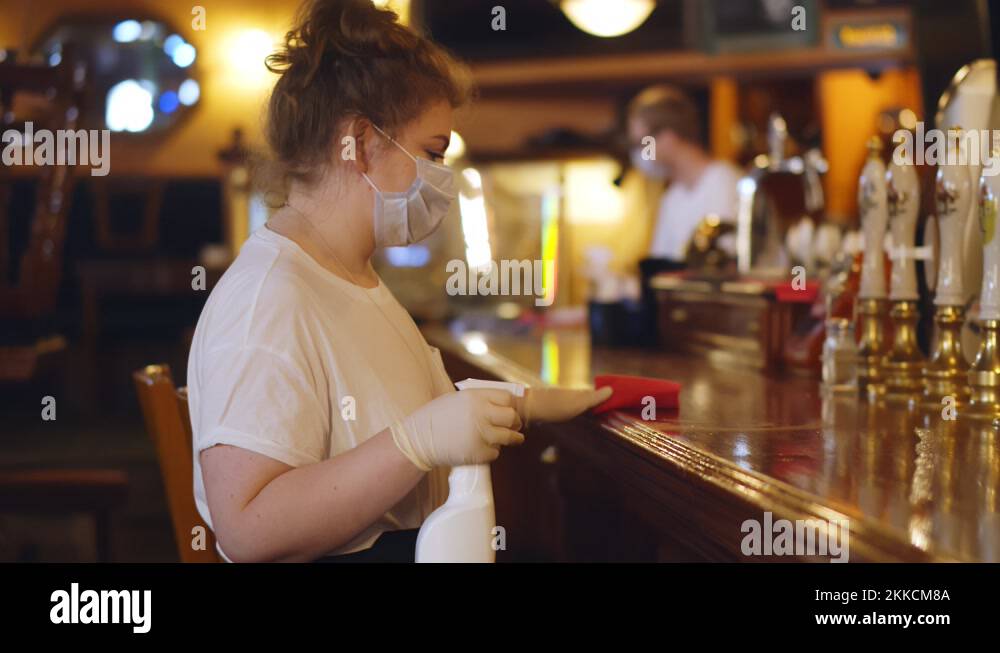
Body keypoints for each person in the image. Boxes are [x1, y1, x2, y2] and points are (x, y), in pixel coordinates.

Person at [186, 0, 611, 563]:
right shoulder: (269, 297)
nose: (441, 180)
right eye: (433, 153)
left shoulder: (350, 274)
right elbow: (248, 528)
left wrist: (521, 404)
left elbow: (375, 413)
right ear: (360, 142)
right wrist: (416, 443)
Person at [627, 85, 742, 263]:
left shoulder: (724, 183)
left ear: (668, 137)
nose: (640, 153)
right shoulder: (673, 197)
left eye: (642, 143)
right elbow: (661, 264)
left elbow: (726, 262)